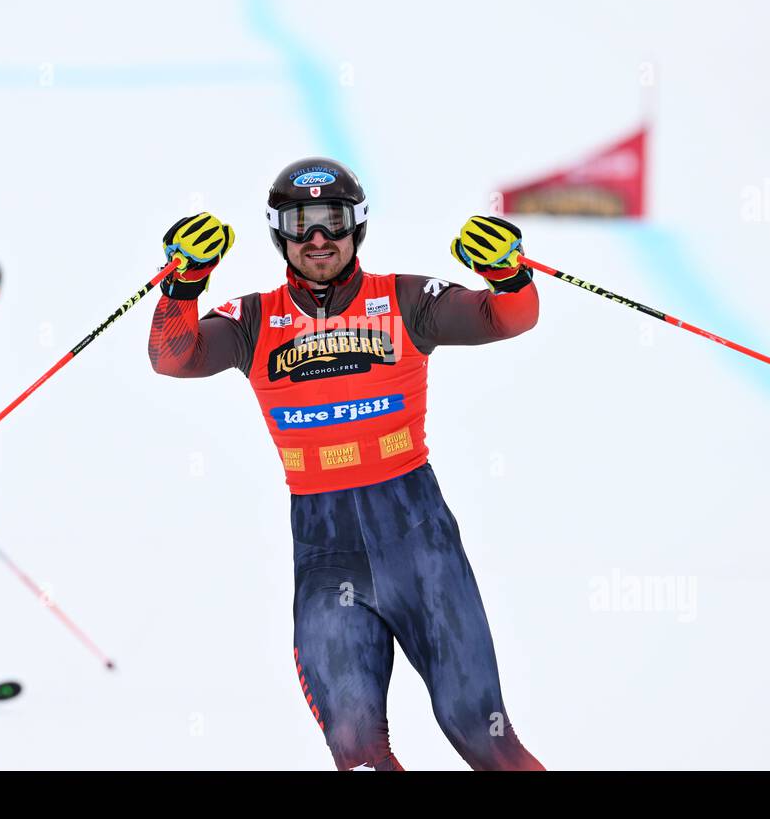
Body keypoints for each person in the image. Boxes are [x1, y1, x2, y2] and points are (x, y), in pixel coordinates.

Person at [148, 159, 544, 770]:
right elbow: (174, 358)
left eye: (331, 222)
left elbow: (509, 317)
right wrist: (183, 282)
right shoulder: (253, 320)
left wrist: (507, 272)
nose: (318, 240)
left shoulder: (408, 299)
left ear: (357, 226)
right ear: (279, 233)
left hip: (419, 541)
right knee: (358, 754)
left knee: (483, 732)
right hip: (327, 553)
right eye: (300, 225)